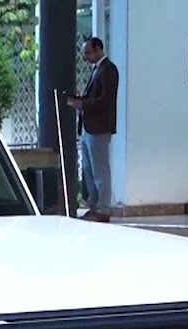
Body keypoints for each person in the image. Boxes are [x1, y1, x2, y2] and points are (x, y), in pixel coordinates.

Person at [67, 37, 119, 223]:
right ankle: (94, 205)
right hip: (89, 127)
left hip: (99, 127)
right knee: (89, 169)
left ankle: (103, 208)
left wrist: (83, 105)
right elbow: (95, 96)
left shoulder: (108, 69)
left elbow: (105, 100)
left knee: (100, 170)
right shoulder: (97, 69)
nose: (86, 57)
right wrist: (80, 100)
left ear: (98, 49)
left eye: (88, 52)